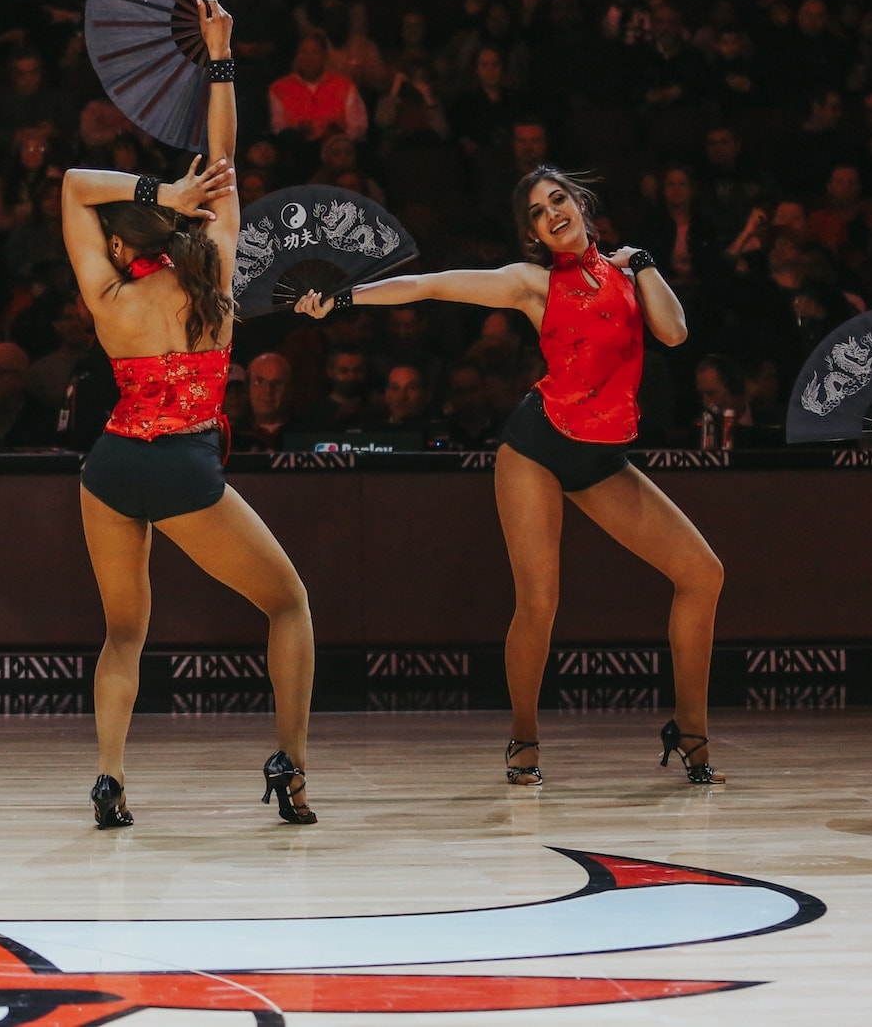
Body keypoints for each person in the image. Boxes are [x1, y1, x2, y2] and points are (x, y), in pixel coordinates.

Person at [296, 167, 727, 789]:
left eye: (558, 200)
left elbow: (674, 332)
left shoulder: (630, 273)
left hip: (603, 454)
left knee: (702, 574)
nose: (551, 213)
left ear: (580, 204)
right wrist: (342, 297)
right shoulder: (532, 284)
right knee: (540, 601)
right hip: (536, 448)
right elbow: (432, 285)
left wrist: (646, 265)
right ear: (532, 233)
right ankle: (523, 737)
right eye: (535, 212)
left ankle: (691, 733)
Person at [63, 0, 315, 828]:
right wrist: (221, 55)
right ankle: (292, 765)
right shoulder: (215, 276)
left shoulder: (107, 296)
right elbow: (226, 159)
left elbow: (71, 184)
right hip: (179, 463)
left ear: (123, 247)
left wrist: (156, 188)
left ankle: (109, 778)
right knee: (287, 605)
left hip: (110, 467)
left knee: (123, 634)